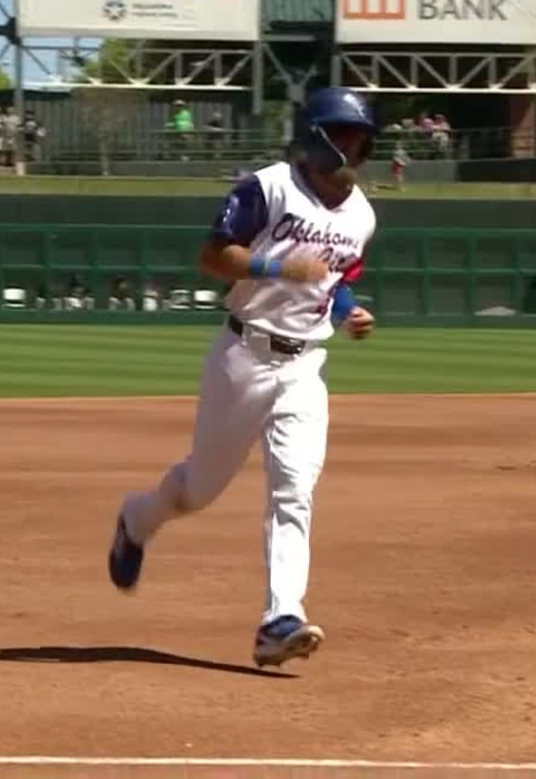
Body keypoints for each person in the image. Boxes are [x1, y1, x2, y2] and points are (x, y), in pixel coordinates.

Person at [106, 87, 380, 669]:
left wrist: (346, 311)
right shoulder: (269, 187)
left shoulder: (362, 216)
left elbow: (332, 284)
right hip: (244, 356)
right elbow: (212, 257)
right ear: (316, 137)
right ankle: (137, 518)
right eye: (343, 134)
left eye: (360, 136)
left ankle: (279, 619)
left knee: (294, 490)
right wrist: (278, 266)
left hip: (306, 365)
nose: (353, 145)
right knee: (198, 490)